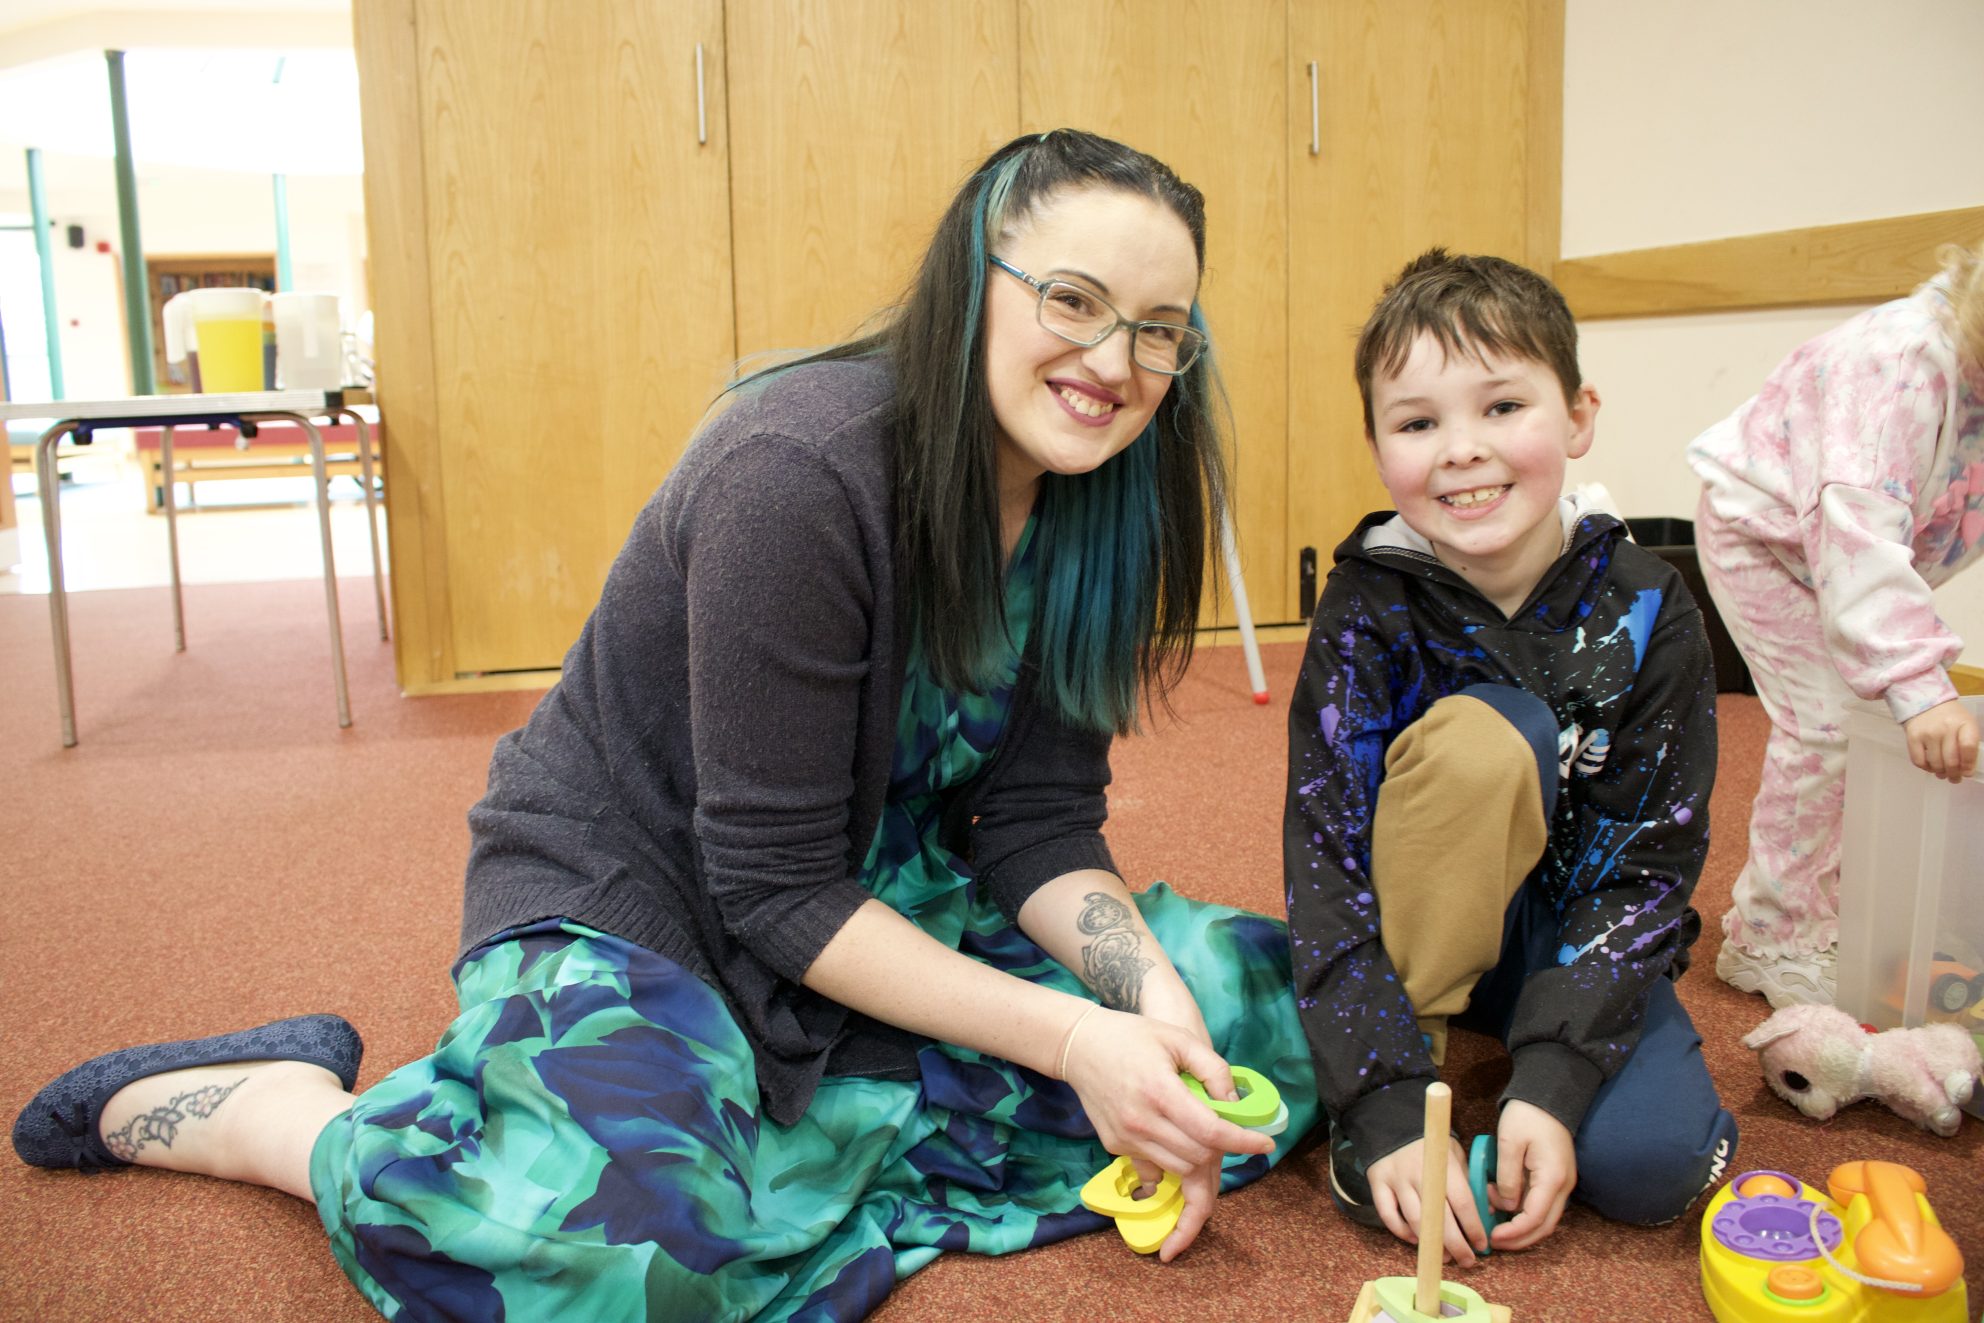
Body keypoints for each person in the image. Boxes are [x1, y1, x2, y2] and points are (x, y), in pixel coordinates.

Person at [13, 130, 1319, 1320]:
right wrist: (1079, 1038)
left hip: (888, 890)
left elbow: (1035, 821)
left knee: (1266, 1016)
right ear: (971, 276)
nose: (1114, 364)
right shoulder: (798, 468)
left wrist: (1150, 1012)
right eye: (1074, 300)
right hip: (653, 898)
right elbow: (774, 886)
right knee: (627, 1260)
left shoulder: (1100, 499)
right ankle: (281, 1112)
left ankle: (796, 1134)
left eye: (1161, 330)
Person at [1284, 250, 1738, 1270]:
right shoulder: (1366, 604)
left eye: (1501, 407)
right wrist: (1389, 1098)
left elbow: (1646, 870)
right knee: (1495, 735)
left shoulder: (1653, 608)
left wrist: (1553, 1081)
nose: (1461, 452)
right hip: (1418, 930)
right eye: (1416, 423)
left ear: (1578, 417)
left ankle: (1529, 1046)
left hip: (1574, 935)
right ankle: (1419, 1040)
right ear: (1377, 446)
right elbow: (1324, 851)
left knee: (1653, 1170)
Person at [1690, 241, 1984, 1009]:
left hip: (1857, 555)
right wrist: (1919, 682)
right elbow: (1856, 534)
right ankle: (1770, 934)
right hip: (1766, 535)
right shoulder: (1896, 368)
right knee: (1825, 725)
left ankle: (1830, 912)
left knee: (1869, 725)